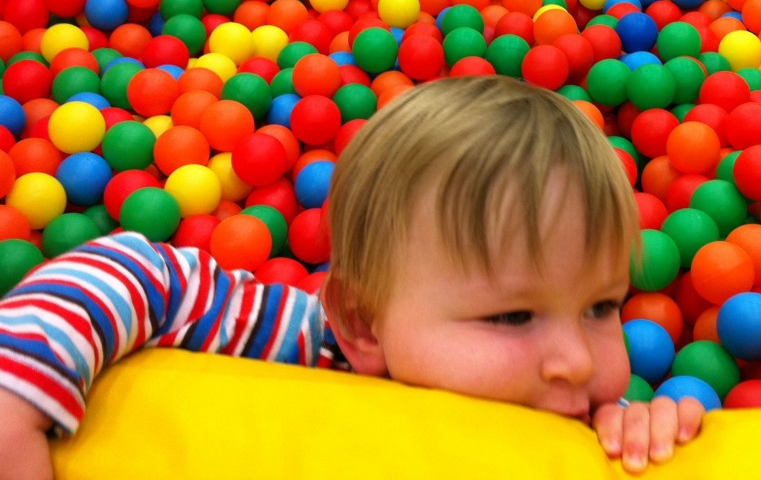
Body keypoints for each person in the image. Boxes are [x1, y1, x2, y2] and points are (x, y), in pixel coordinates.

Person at [0, 75, 705, 479]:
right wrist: (17, 392)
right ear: (365, 324)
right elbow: (139, 268)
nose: (577, 361)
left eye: (602, 306)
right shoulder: (297, 342)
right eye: (514, 316)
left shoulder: (576, 403)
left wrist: (637, 428)